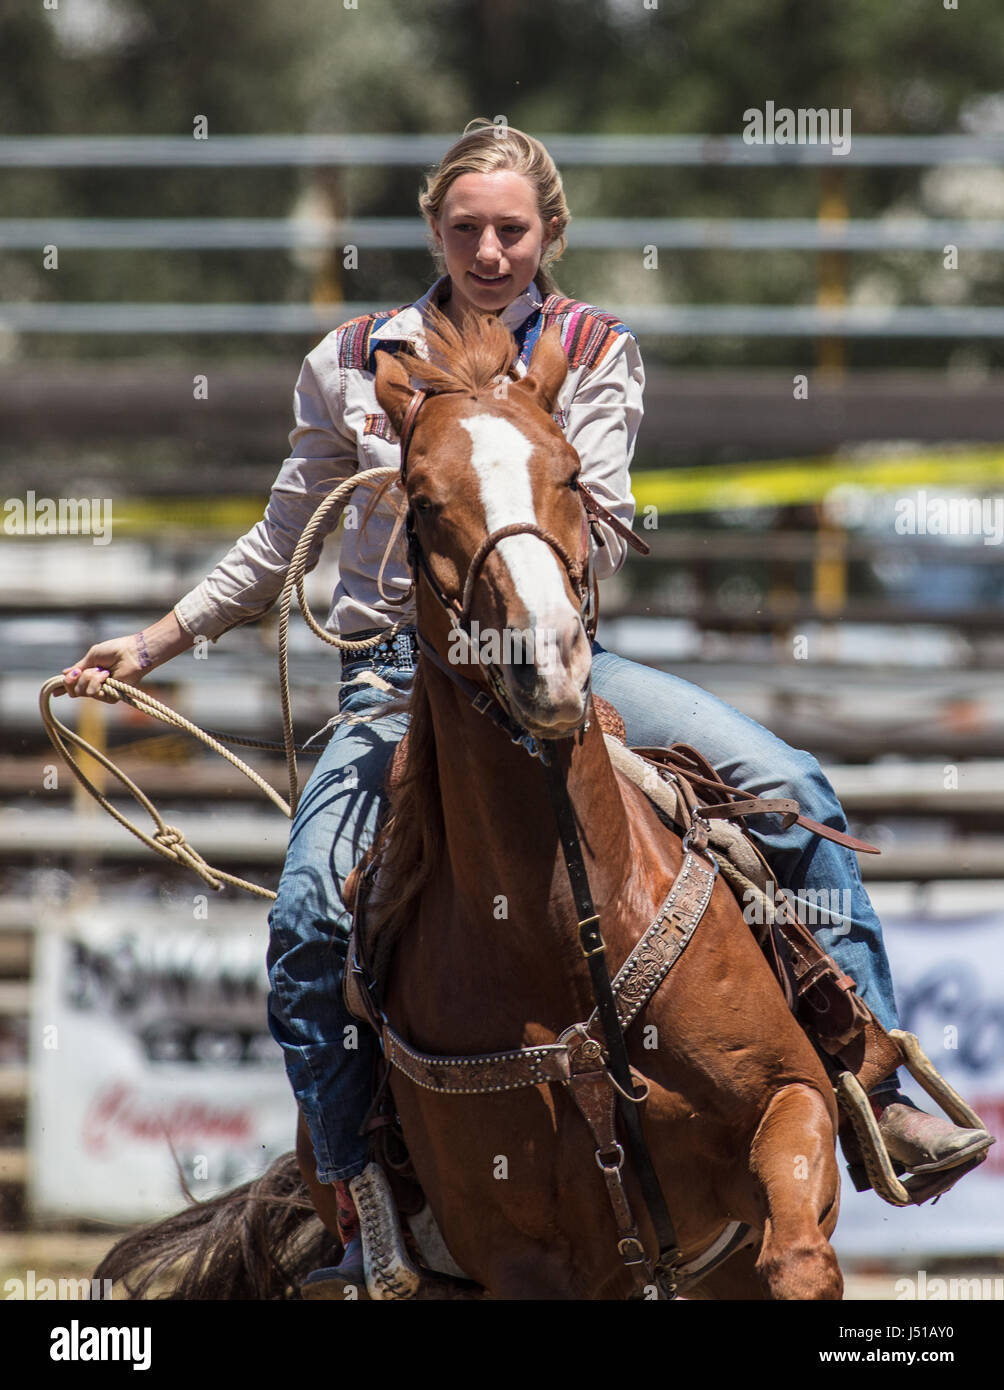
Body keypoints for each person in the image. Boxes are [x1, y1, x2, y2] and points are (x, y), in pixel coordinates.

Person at [61, 119, 991, 1285]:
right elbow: (279, 534)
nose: (489, 251)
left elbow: (589, 512)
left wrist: (480, 471)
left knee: (792, 784)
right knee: (306, 920)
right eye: (466, 229)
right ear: (434, 232)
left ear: (548, 231)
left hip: (560, 657)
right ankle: (361, 1202)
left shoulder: (596, 350)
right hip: (396, 676)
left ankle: (875, 1094)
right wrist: (152, 642)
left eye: (511, 228)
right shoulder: (352, 358)